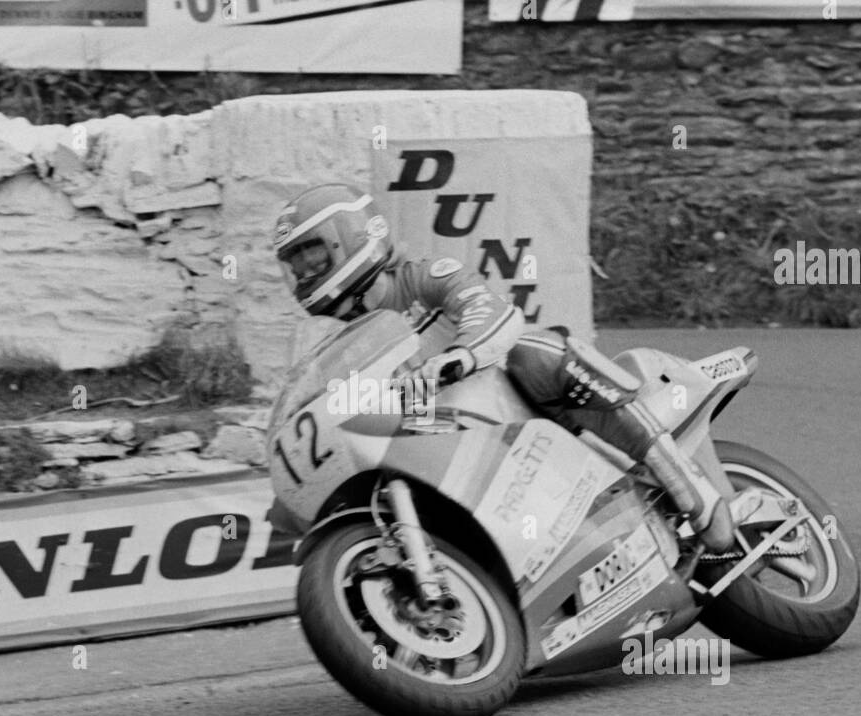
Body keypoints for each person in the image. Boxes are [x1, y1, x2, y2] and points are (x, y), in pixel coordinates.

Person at [272, 183, 735, 552]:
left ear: (352, 236)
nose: (305, 271)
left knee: (533, 351)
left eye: (311, 254)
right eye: (295, 264)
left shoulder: (423, 276)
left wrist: (461, 355)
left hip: (523, 397)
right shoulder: (349, 348)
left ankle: (687, 484)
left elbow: (491, 310)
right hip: (458, 436)